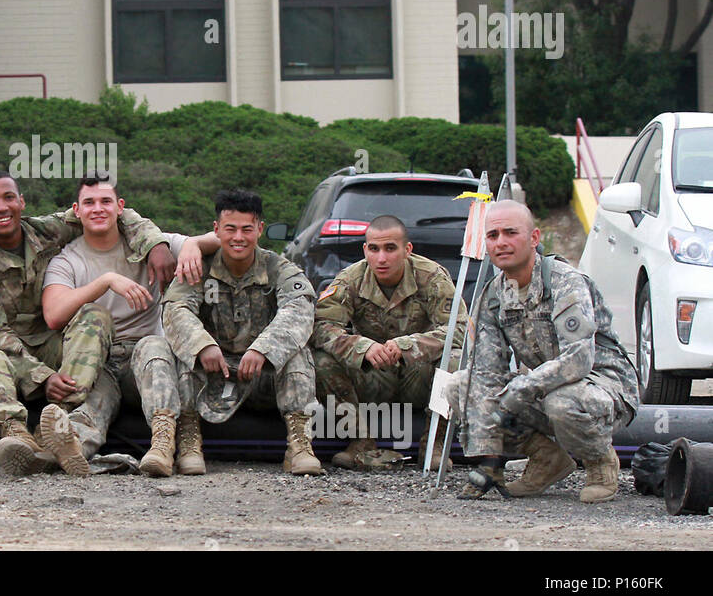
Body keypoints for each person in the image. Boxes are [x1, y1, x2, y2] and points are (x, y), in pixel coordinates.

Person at [0, 170, 176, 476]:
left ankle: (55, 428)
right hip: (7, 353)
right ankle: (17, 434)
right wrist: (41, 376)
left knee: (94, 315)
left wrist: (155, 243)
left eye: (8, 198)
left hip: (53, 344)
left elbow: (111, 211)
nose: (1, 208)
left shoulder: (46, 231)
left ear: (21, 202)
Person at [460, 200, 639, 503]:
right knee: (462, 385)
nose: (500, 242)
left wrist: (525, 386)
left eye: (510, 233)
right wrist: (488, 457)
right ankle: (547, 460)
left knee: (561, 401)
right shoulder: (492, 297)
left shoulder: (565, 282)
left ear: (534, 238)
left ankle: (600, 464)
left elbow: (579, 360)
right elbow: (485, 373)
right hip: (545, 389)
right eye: (492, 236)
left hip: (603, 387)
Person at [39, 172, 217, 476]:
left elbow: (220, 238)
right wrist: (107, 282)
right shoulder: (67, 260)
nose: (98, 208)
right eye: (89, 202)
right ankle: (68, 448)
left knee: (154, 347)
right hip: (102, 361)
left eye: (106, 201)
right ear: (76, 210)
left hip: (144, 358)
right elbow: (54, 314)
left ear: (120, 207)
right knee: (96, 402)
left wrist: (191, 246)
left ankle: (163, 444)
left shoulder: (148, 244)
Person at [153, 189, 324, 476]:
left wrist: (263, 349)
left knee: (299, 355)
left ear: (260, 229)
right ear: (216, 230)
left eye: (247, 229)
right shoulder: (198, 268)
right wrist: (202, 346)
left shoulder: (279, 269)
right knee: (182, 353)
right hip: (211, 373)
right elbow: (176, 310)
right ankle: (189, 440)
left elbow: (300, 310)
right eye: (230, 229)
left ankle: (300, 443)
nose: (238, 238)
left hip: (262, 375)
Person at [311, 215, 466, 471]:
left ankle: (434, 445)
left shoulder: (432, 277)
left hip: (419, 376)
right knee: (320, 361)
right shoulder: (351, 279)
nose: (381, 258)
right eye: (374, 249)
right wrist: (362, 347)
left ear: (407, 250)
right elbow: (319, 327)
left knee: (456, 359)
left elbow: (458, 330)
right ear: (365, 250)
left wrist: (409, 345)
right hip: (373, 377)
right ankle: (360, 441)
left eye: (390, 248)